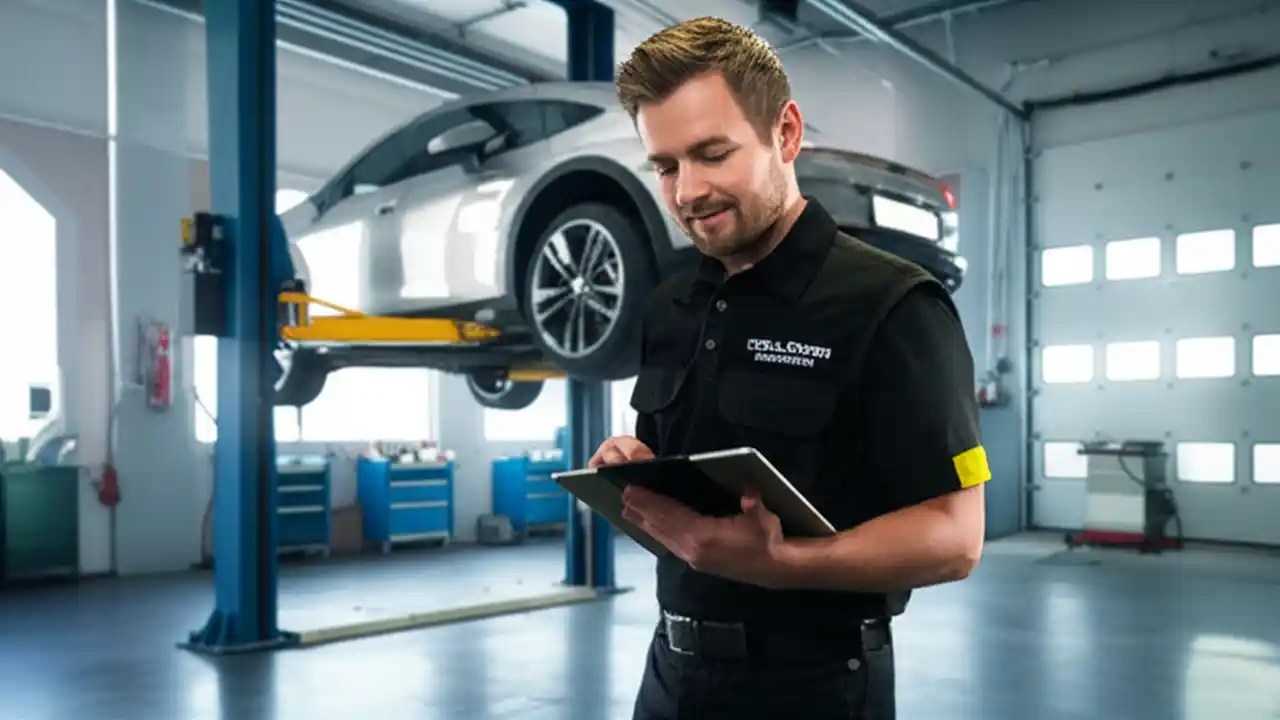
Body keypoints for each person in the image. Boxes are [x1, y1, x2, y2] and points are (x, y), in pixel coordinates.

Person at [588, 16, 991, 720]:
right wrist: (635, 468)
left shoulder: (892, 304)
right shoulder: (671, 304)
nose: (687, 193)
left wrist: (784, 564)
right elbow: (679, 483)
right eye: (666, 165)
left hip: (814, 687)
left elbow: (957, 538)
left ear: (786, 134)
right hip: (670, 677)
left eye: (713, 154)